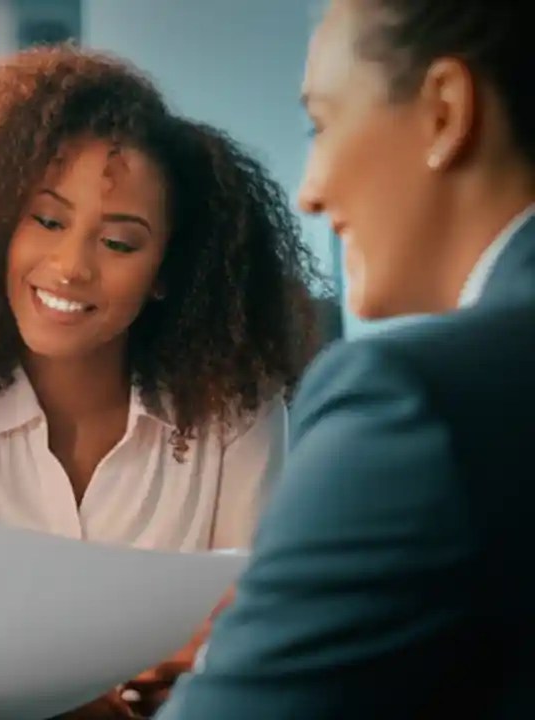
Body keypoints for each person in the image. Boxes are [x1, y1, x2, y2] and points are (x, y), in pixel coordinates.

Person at [0, 46, 320, 717]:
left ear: (167, 270)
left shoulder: (236, 405)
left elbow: (247, 640)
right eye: (47, 221)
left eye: (120, 242)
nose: (71, 266)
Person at [158, 0, 535, 717]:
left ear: (445, 112)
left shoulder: (411, 405)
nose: (309, 193)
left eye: (320, 125)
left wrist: (253, 648)